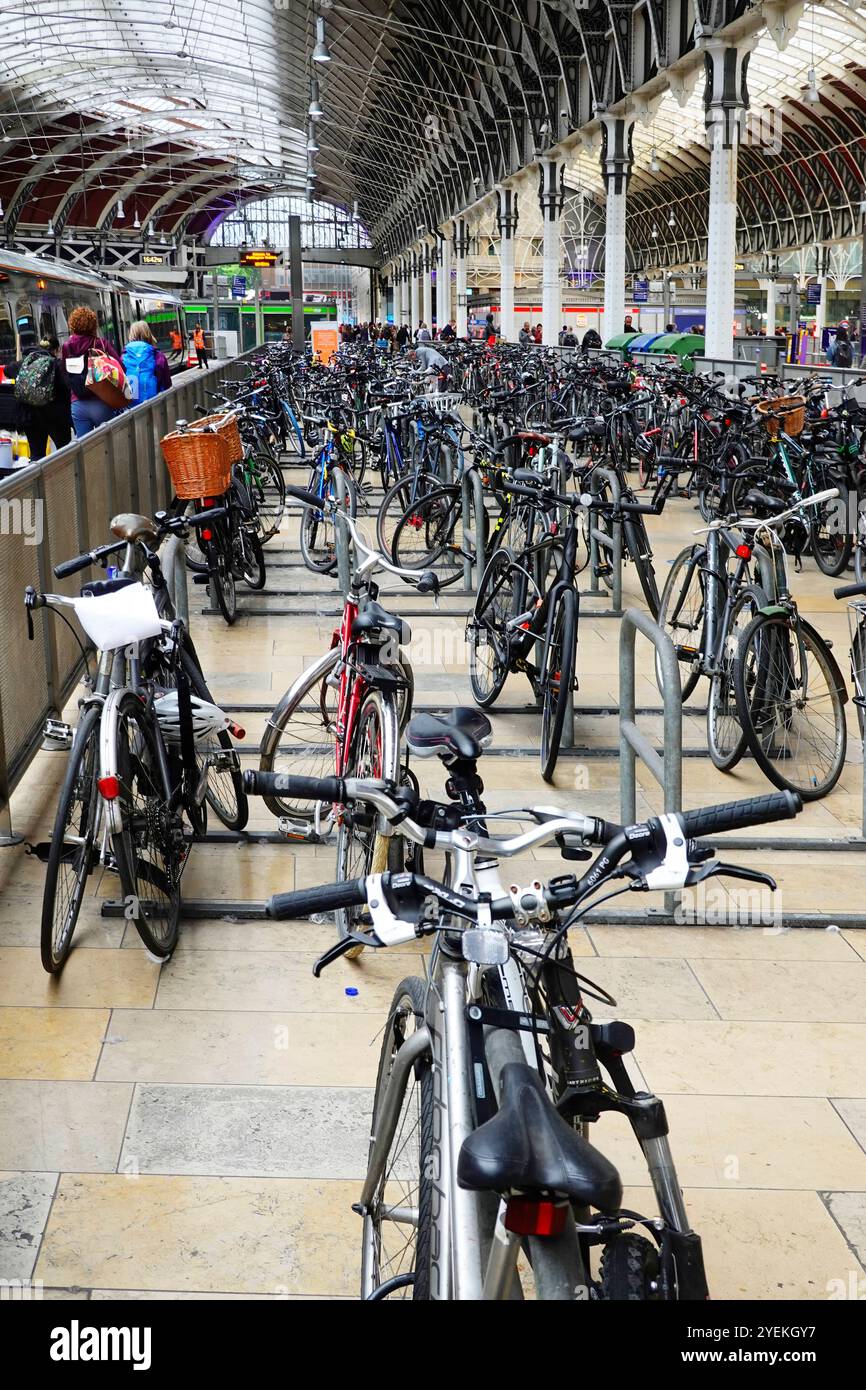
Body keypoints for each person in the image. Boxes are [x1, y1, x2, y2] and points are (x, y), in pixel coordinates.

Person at [60, 305, 124, 437]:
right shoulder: (101, 344)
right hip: (102, 400)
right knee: (110, 442)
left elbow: (65, 374)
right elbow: (121, 368)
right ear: (93, 325)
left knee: (85, 449)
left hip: (77, 404)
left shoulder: (67, 347)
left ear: (72, 325)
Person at [8, 334, 72, 461]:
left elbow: (8, 370)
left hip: (30, 416)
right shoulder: (57, 364)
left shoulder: (26, 363)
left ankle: (39, 481)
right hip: (55, 417)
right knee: (64, 451)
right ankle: (64, 479)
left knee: (37, 456)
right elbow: (67, 387)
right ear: (57, 350)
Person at [122, 321, 171, 404]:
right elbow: (167, 384)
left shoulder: (124, 356)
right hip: (154, 404)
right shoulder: (157, 356)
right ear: (148, 333)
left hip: (129, 407)